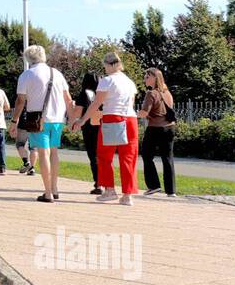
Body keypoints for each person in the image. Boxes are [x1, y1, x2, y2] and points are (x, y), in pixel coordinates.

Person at [71, 51, 140, 204]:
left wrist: (82, 120)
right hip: (131, 119)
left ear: (109, 65)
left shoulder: (107, 81)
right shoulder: (130, 82)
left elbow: (96, 104)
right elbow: (132, 103)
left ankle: (109, 190)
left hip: (112, 118)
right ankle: (128, 195)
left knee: (104, 156)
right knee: (128, 157)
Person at [9, 45, 74, 203]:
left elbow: (20, 101)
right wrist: (72, 119)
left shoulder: (27, 75)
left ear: (28, 59)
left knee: (43, 153)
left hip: (38, 120)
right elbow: (68, 98)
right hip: (58, 119)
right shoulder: (57, 73)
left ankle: (47, 193)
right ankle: (55, 188)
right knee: (54, 152)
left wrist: (14, 121)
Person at [139, 67, 177, 197]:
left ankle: (153, 185)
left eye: (147, 76)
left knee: (146, 155)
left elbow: (144, 113)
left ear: (155, 78)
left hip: (155, 128)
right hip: (170, 128)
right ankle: (171, 191)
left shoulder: (151, 93)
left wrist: (131, 115)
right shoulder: (167, 93)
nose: (145, 79)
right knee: (167, 158)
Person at [73, 71, 102, 195]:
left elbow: (78, 112)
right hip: (103, 125)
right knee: (103, 156)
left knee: (93, 155)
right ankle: (106, 182)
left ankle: (98, 183)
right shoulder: (102, 93)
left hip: (89, 127)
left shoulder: (84, 93)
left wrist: (74, 122)